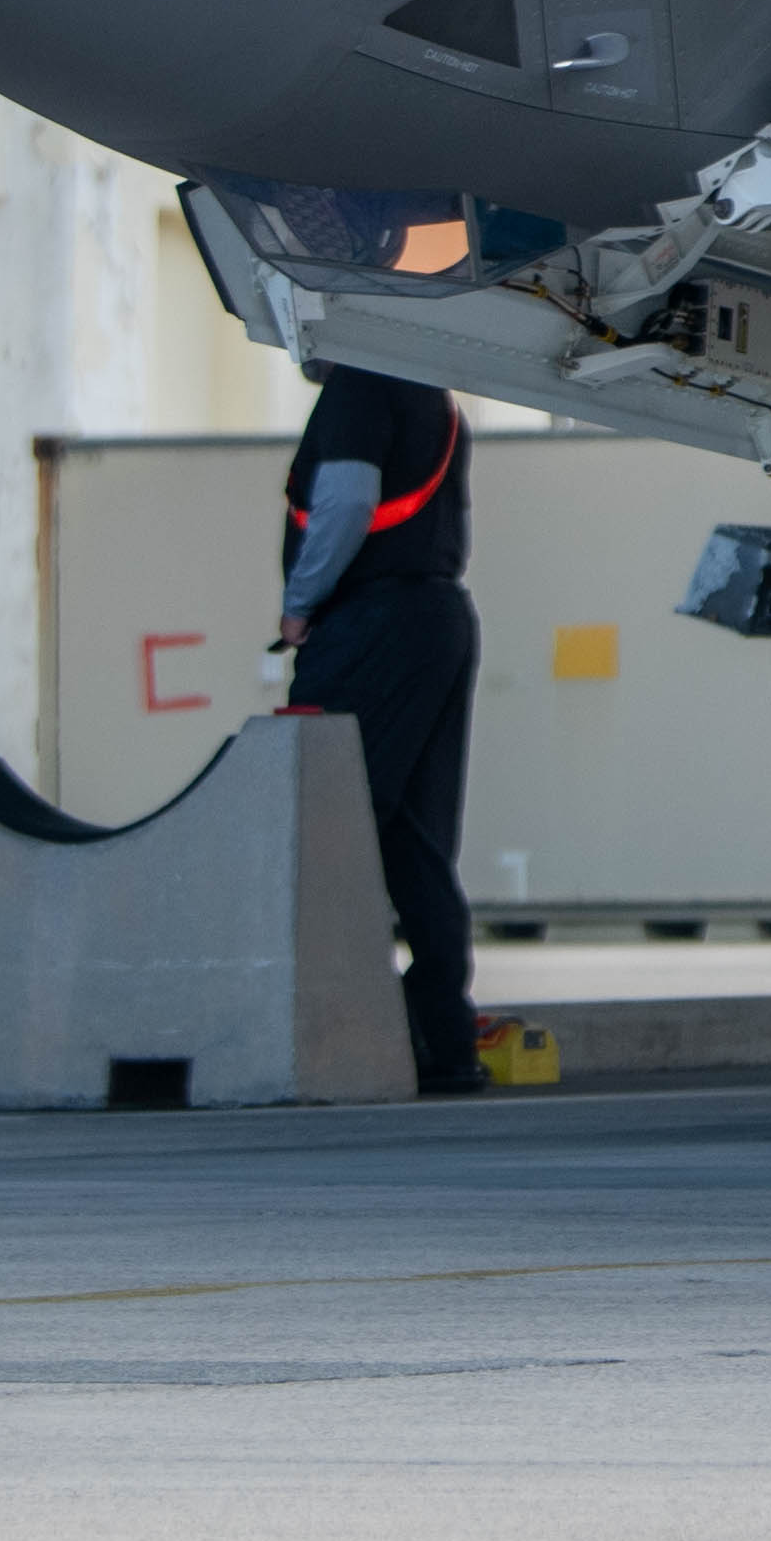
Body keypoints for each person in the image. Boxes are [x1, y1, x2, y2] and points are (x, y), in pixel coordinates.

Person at [275, 359, 489, 1098]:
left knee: (332, 821)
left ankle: (334, 1032)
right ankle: (441, 1037)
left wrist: (300, 602)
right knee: (413, 835)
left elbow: (345, 500)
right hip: (438, 618)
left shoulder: (361, 385)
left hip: (371, 621)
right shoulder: (431, 389)